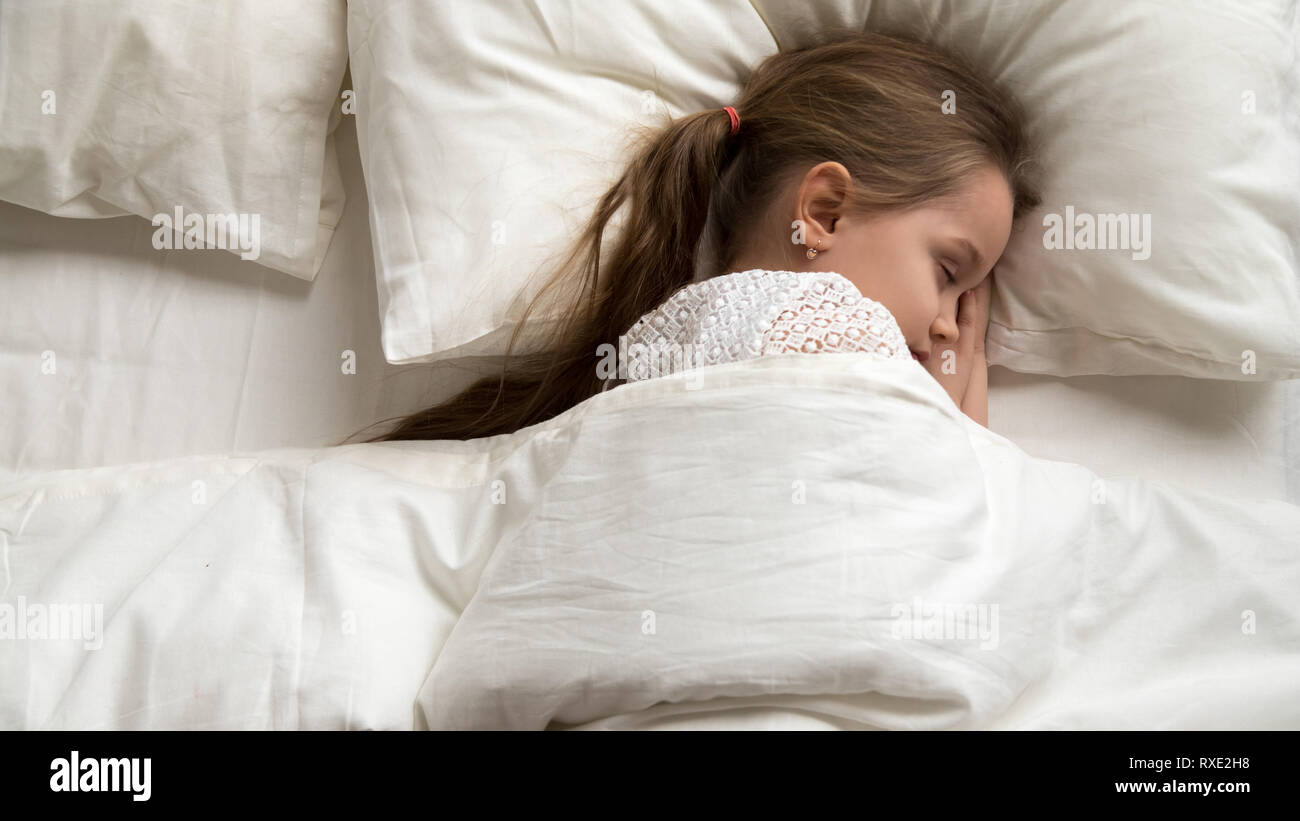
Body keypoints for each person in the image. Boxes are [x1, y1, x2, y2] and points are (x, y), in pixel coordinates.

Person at [366, 28, 1040, 441]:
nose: (954, 328)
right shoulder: (836, 324)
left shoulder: (654, 336)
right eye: (951, 276)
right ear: (826, 212)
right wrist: (958, 394)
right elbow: (955, 501)